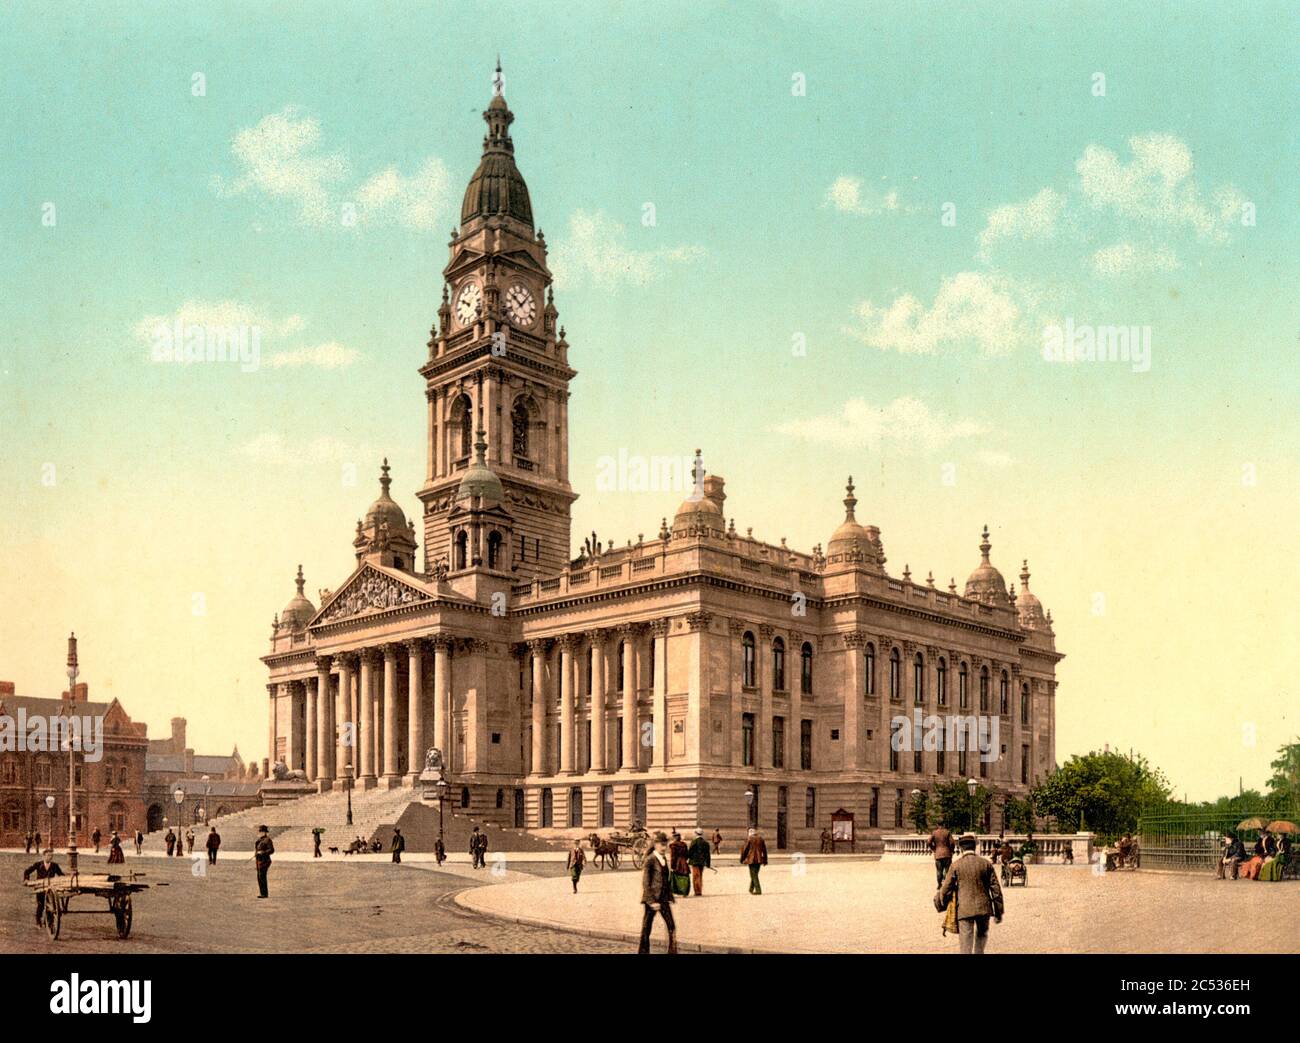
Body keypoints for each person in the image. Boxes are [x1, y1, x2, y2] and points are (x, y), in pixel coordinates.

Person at [936, 832, 1004, 954]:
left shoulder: (956, 865)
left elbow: (945, 889)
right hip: (984, 908)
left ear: (961, 848)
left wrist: (942, 903)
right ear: (975, 847)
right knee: (981, 937)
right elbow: (996, 890)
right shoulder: (986, 864)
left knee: (965, 943)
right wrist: (999, 912)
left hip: (964, 909)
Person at [637, 832, 677, 954]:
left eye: (666, 845)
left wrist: (669, 896)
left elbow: (665, 880)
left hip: (664, 898)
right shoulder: (650, 860)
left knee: (671, 926)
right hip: (652, 899)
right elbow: (646, 883)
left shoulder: (663, 859)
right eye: (662, 845)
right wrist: (651, 901)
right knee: (646, 928)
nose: (664, 848)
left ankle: (672, 952)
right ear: (655, 845)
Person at [23, 849, 64, 927]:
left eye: (51, 856)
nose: (50, 857)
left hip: (50, 889)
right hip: (40, 888)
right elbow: (27, 871)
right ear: (44, 856)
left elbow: (61, 874)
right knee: (41, 905)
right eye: (48, 855)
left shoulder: (55, 865)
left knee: (52, 906)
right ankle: (38, 921)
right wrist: (26, 879)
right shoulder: (38, 864)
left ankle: (49, 922)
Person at [740, 827, 768, 895]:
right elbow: (764, 850)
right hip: (759, 859)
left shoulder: (749, 839)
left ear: (749, 833)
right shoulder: (761, 838)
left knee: (753, 875)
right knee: (755, 874)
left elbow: (745, 850)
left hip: (751, 859)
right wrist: (765, 860)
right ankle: (751, 889)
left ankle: (758, 890)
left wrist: (742, 859)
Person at [687, 827, 712, 896]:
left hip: (695, 862)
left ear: (696, 833)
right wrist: (708, 863)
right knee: (700, 876)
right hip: (702, 862)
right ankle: (699, 890)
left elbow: (690, 852)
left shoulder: (694, 842)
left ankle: (697, 891)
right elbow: (708, 854)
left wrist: (687, 858)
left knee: (696, 876)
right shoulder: (705, 843)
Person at [929, 822, 954, 888]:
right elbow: (952, 843)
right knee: (948, 870)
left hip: (938, 854)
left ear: (937, 825)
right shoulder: (947, 832)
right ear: (944, 825)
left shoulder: (934, 833)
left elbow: (929, 842)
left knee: (939, 870)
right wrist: (951, 850)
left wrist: (934, 848)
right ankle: (947, 884)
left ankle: (939, 884)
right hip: (947, 854)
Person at [254, 825, 274, 898]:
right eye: (260, 831)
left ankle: (264, 894)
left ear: (265, 832)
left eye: (261, 831)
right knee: (259, 877)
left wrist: (262, 852)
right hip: (259, 861)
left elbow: (271, 850)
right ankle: (262, 893)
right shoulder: (259, 840)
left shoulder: (267, 840)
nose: (260, 833)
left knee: (262, 876)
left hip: (265, 860)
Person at [668, 831, 690, 897]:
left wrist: (672, 865)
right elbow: (687, 854)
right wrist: (684, 860)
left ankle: (675, 891)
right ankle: (684, 892)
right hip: (684, 862)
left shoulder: (673, 845)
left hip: (677, 862)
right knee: (684, 877)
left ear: (674, 838)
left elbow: (673, 856)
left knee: (675, 877)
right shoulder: (684, 844)